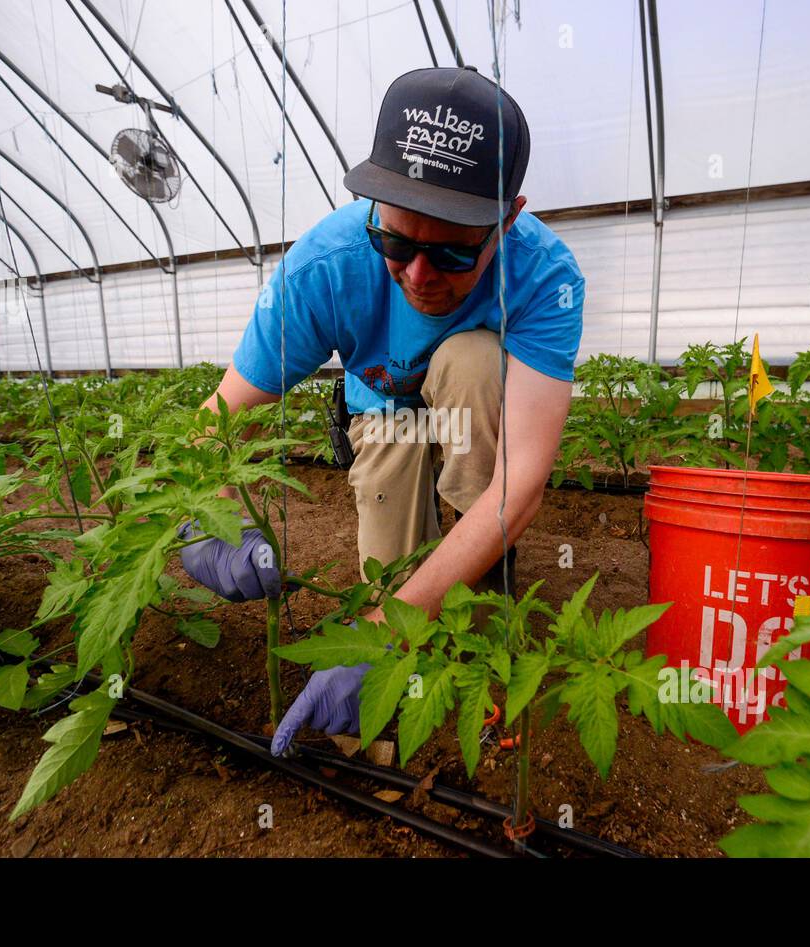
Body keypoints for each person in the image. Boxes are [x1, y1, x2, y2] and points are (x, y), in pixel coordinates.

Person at [180, 65, 585, 755]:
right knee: (393, 547)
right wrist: (203, 521)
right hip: (386, 412)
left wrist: (393, 629)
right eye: (396, 242)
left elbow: (519, 487)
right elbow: (219, 417)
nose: (420, 275)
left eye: (455, 249)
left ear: (509, 219)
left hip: (469, 406)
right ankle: (390, 694)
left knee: (476, 366)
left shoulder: (546, 276)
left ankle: (482, 589)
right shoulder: (327, 265)